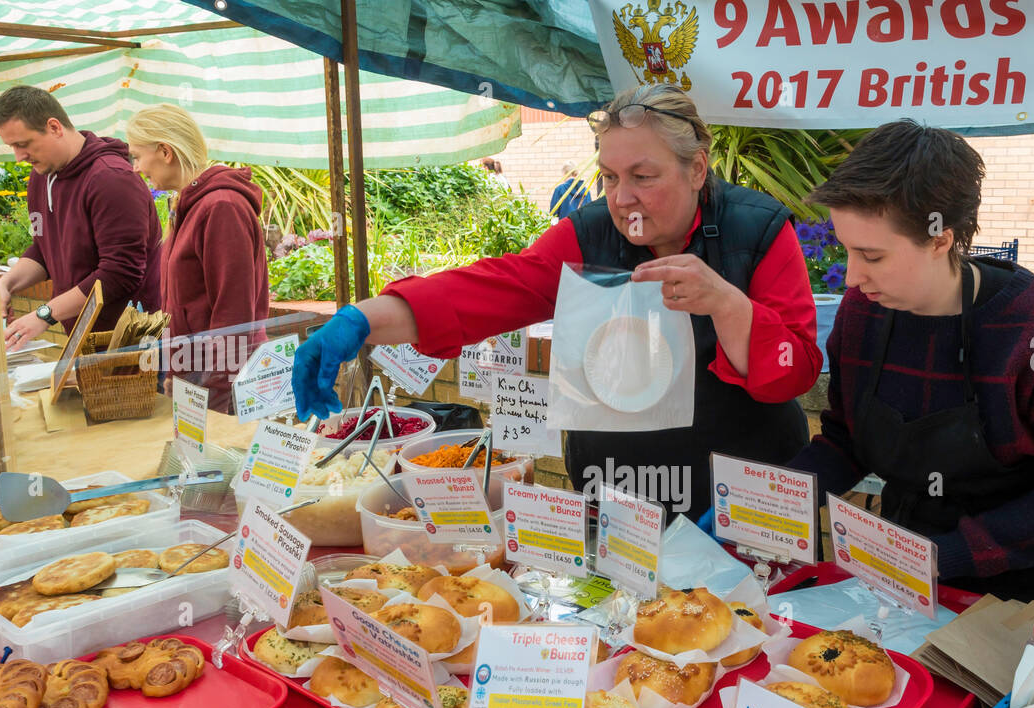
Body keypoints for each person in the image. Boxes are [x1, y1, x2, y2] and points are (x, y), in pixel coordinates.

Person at [293, 84, 821, 518]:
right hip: (619, 494)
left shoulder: (758, 228)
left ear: (698, 170)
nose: (622, 198)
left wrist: (728, 305)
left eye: (644, 177)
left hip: (743, 493)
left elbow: (793, 372)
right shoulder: (588, 232)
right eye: (611, 178)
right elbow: (491, 290)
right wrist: (360, 319)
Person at [789, 120, 1034, 601]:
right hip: (900, 572)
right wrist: (780, 493)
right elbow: (847, 438)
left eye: (871, 255)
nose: (852, 277)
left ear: (940, 239)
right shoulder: (863, 313)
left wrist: (949, 555)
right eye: (846, 251)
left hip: (1024, 594)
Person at [0, 85, 161, 350]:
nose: (19, 156)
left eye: (23, 144)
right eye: (12, 146)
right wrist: (6, 284)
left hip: (130, 342)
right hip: (85, 338)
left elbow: (120, 272)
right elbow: (45, 248)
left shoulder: (111, 179)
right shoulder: (41, 176)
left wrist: (45, 314)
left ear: (54, 127)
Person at [127, 104, 269, 413]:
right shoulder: (186, 204)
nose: (135, 168)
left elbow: (234, 312)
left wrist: (214, 395)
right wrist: (177, 375)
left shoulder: (221, 206)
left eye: (137, 156)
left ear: (165, 151)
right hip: (196, 377)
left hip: (223, 386)